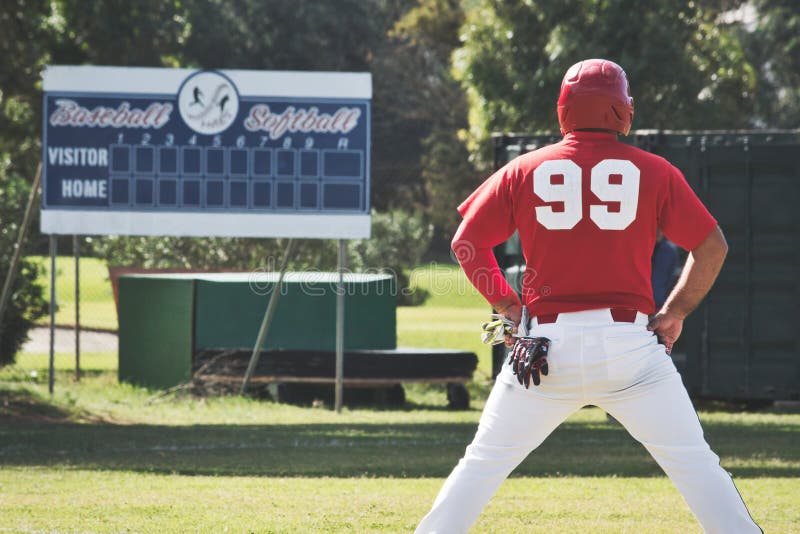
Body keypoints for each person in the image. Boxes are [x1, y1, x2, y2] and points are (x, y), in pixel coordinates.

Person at [415, 59, 761, 533]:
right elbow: (712, 246)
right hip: (630, 347)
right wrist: (676, 311)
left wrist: (508, 306)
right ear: (621, 110)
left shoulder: (524, 169)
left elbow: (466, 243)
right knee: (696, 465)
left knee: (483, 463)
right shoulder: (655, 170)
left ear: (564, 110)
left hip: (546, 350)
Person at [652, 228, 680, 309]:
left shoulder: (670, 251)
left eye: (660, 229)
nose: (658, 232)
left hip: (659, 305)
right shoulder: (639, 248)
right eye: (655, 228)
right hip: (638, 304)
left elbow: (671, 279)